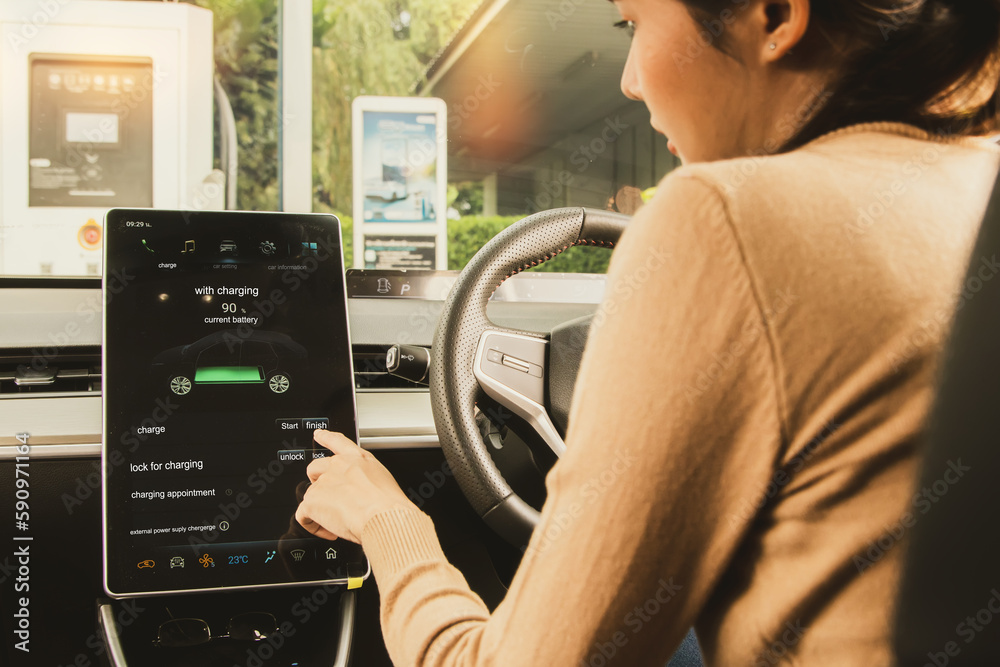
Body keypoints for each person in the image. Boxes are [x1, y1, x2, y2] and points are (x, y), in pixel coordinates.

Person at [295, 0, 1000, 664]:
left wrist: (388, 522)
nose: (630, 80)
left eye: (633, 23)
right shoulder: (979, 183)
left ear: (776, 16)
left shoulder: (723, 218)